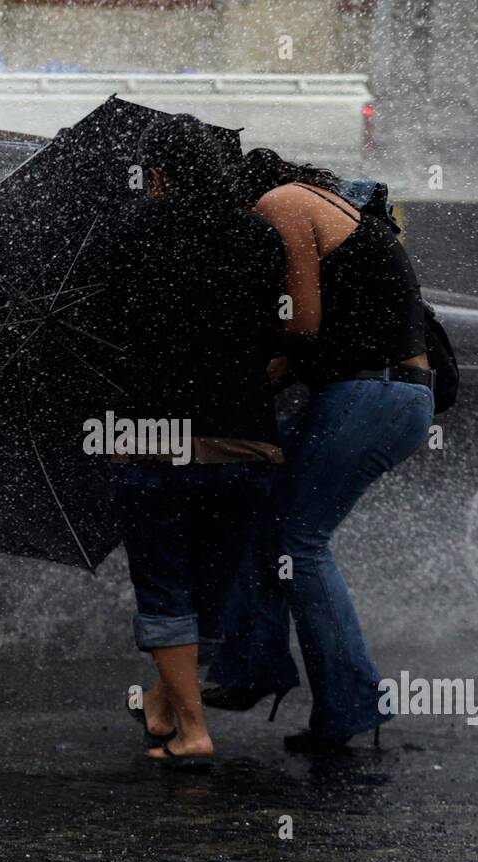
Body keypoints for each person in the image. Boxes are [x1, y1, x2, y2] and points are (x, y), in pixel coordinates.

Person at [204, 148, 435, 753]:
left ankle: (351, 702)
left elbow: (302, 323)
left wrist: (250, 362)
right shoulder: (333, 203)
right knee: (267, 527)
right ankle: (254, 670)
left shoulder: (279, 204)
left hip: (373, 394)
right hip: (383, 393)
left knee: (298, 543)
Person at [105, 117, 286, 767]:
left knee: (163, 587)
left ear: (157, 175)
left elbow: (112, 319)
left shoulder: (132, 228)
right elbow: (273, 334)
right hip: (245, 443)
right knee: (211, 587)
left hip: (155, 436)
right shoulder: (261, 236)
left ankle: (194, 728)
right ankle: (162, 703)